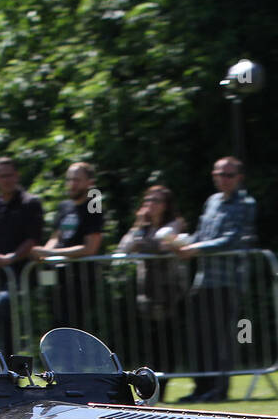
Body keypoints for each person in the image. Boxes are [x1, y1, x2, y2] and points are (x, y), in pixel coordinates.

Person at [171, 156, 257, 402]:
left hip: (228, 281)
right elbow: (202, 234)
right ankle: (200, 387)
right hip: (204, 280)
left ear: (239, 177)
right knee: (199, 336)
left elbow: (232, 238)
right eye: (219, 174)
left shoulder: (245, 203)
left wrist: (196, 249)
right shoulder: (212, 202)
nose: (223, 179)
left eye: (229, 175)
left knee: (220, 338)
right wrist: (182, 243)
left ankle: (218, 389)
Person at [0, 157, 44, 358]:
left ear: (17, 175)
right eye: (2, 176)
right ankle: (1, 365)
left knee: (5, 305)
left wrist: (10, 258)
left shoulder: (30, 203)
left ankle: (14, 364)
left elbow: (33, 239)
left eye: (10, 175)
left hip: (22, 276)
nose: (7, 180)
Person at [117, 184, 188, 379]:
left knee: (168, 340)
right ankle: (152, 382)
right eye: (147, 201)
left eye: (155, 201)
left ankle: (164, 382)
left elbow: (161, 246)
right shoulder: (143, 228)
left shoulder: (175, 224)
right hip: (147, 291)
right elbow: (124, 247)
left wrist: (146, 245)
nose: (150, 205)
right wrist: (138, 224)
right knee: (151, 341)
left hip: (170, 290)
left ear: (166, 205)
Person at [31, 162, 104, 331]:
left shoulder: (94, 206)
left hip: (81, 281)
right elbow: (56, 237)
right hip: (58, 279)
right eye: (69, 179)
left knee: (76, 329)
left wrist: (50, 252)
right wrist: (43, 254)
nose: (72, 184)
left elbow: (90, 248)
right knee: (56, 327)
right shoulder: (64, 206)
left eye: (77, 180)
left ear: (90, 183)